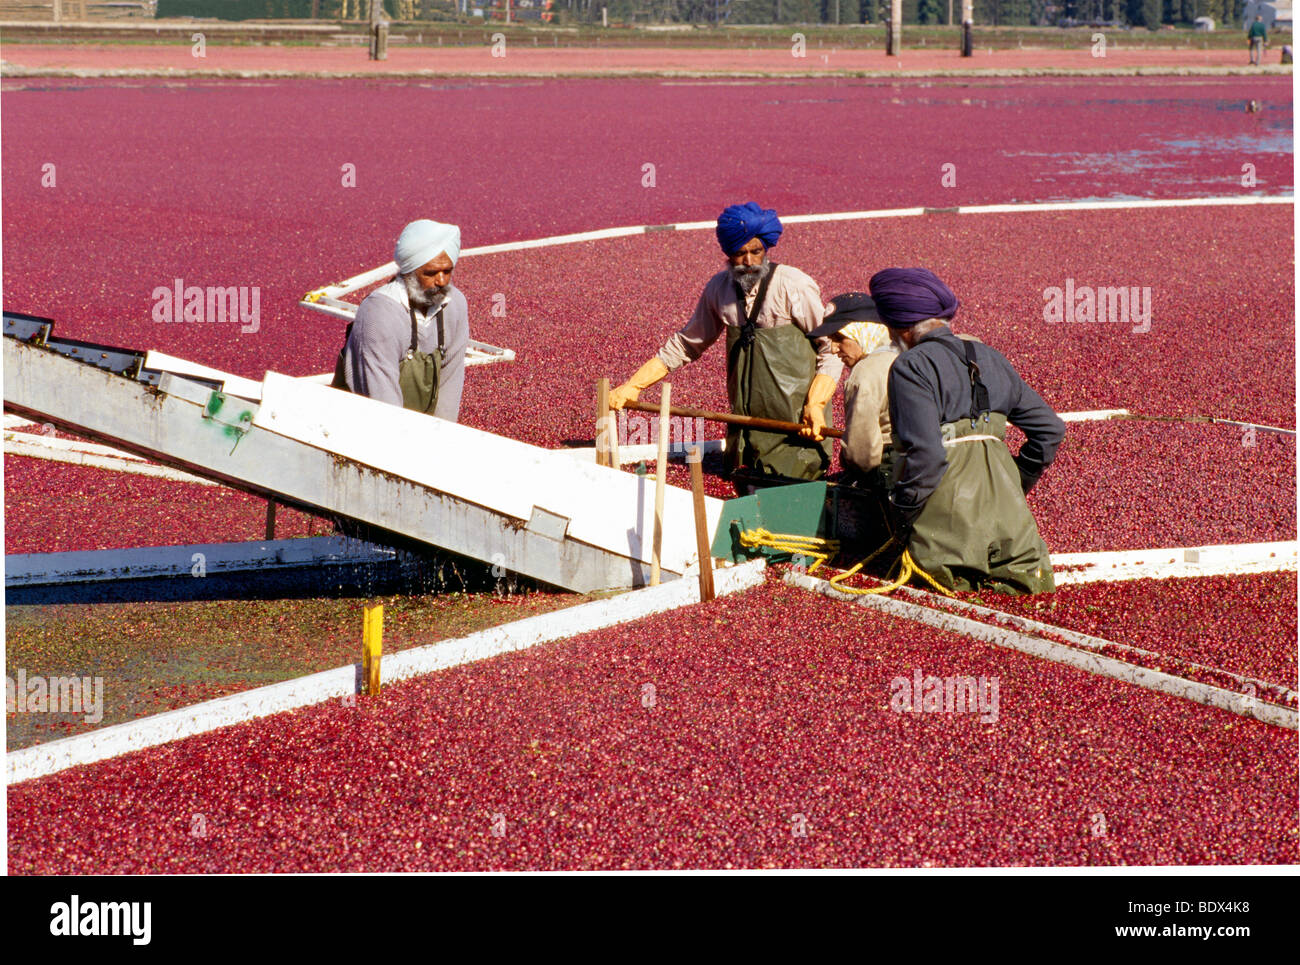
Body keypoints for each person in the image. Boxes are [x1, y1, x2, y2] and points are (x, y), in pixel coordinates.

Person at [608, 202, 841, 489]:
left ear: (766, 248)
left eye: (756, 251)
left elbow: (831, 348)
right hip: (745, 427)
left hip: (797, 425)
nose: (749, 261)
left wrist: (815, 405)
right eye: (740, 253)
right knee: (746, 488)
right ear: (728, 254)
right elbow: (685, 344)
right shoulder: (718, 290)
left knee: (789, 492)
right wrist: (634, 385)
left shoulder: (793, 285)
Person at [871, 267, 1064, 595]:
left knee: (951, 623)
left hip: (946, 531)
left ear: (899, 329)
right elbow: (1050, 429)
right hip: (1013, 529)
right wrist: (1016, 483)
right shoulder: (990, 356)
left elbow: (927, 455)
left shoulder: (911, 365)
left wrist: (902, 513)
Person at [335, 219, 469, 421]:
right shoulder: (379, 314)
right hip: (361, 426)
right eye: (430, 273)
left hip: (412, 430)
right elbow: (382, 403)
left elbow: (450, 384)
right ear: (409, 272)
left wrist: (441, 439)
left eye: (447, 271)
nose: (441, 281)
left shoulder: (454, 305)